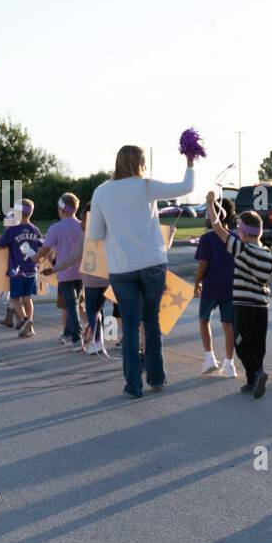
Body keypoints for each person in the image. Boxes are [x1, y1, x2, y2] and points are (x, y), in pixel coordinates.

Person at [88, 145, 196, 397]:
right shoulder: (146, 186)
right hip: (153, 264)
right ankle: (157, 378)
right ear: (140, 163)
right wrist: (190, 162)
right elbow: (185, 187)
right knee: (152, 321)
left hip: (122, 268)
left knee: (130, 326)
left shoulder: (101, 192)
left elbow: (95, 234)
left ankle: (133, 385)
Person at [204, 193, 272, 397]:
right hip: (262, 307)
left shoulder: (241, 249)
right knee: (258, 346)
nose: (237, 231)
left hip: (243, 305)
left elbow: (218, 228)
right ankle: (253, 380)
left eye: (239, 228)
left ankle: (257, 374)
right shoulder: (269, 254)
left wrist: (210, 204)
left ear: (245, 233)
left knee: (241, 344)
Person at [193, 202, 237, 377]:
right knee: (228, 325)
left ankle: (209, 357)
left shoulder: (207, 239)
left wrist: (197, 283)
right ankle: (229, 363)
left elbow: (202, 266)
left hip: (211, 286)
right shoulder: (235, 237)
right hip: (230, 287)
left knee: (204, 320)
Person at [37, 193, 85, 347]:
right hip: (82, 272)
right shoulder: (82, 226)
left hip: (65, 272)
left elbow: (45, 249)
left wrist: (34, 258)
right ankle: (68, 333)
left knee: (71, 305)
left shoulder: (55, 228)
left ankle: (77, 338)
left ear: (61, 209)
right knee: (74, 304)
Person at [0, 199, 44, 338]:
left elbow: (0, 244)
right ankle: (31, 326)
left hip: (16, 270)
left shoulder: (12, 230)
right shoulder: (35, 229)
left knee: (14, 298)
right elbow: (41, 246)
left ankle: (24, 320)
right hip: (31, 270)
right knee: (27, 298)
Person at [79, 202, 111, 356]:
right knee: (100, 310)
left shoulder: (88, 228)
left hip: (91, 275)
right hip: (105, 275)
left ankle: (97, 341)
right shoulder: (107, 225)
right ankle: (99, 340)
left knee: (92, 310)